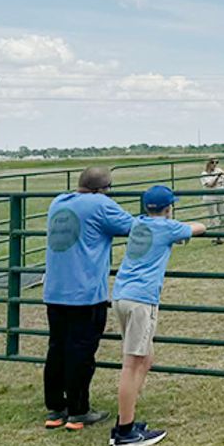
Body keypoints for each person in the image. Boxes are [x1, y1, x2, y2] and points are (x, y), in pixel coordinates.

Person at [109, 186, 205, 446]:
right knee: (132, 363)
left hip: (122, 295)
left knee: (145, 358)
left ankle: (126, 419)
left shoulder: (139, 223)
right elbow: (198, 227)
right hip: (141, 300)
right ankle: (124, 432)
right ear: (168, 208)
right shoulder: (168, 228)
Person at [42, 167, 134, 431]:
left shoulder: (58, 202)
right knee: (81, 352)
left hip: (55, 291)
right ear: (103, 189)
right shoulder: (100, 204)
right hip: (84, 293)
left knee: (57, 349)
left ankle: (55, 409)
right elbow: (132, 226)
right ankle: (79, 411)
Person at [200, 157, 224, 245]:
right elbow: (210, 185)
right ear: (208, 163)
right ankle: (215, 238)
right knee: (213, 218)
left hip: (221, 196)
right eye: (213, 162)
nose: (215, 164)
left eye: (217, 162)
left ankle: (221, 236)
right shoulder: (204, 174)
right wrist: (218, 176)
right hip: (210, 197)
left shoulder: (219, 170)